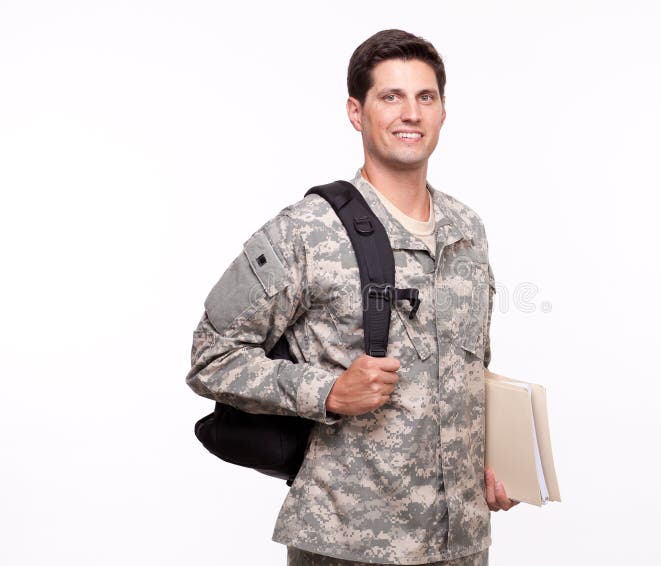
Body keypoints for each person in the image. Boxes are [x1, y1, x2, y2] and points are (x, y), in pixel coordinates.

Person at [186, 29, 517, 566]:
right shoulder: (307, 230)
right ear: (356, 112)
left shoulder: (466, 229)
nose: (410, 113)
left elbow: (468, 371)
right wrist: (328, 392)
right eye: (391, 97)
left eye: (424, 97)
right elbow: (211, 356)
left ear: (442, 112)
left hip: (460, 542)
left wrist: (495, 461)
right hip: (348, 544)